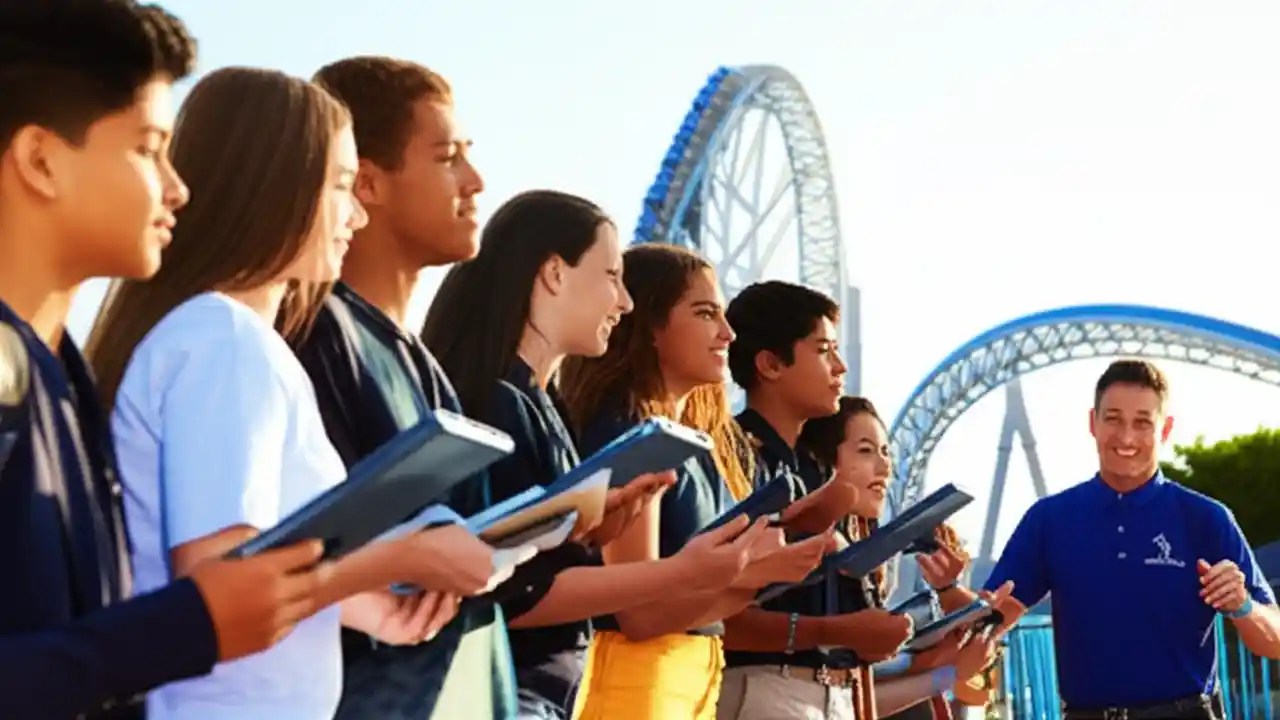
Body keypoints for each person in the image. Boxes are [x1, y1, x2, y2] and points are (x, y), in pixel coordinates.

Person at [86, 67, 497, 719]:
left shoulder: (229, 340)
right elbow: (218, 583)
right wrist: (399, 557)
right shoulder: (224, 340)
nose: (357, 214)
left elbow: (251, 568)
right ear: (274, 188)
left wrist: (375, 607)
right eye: (341, 184)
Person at [0, 2, 330, 717]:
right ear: (40, 159)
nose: (177, 186)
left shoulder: (62, 375)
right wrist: (186, 626)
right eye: (149, 148)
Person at [422, 189, 770, 718]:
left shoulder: (541, 406)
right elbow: (518, 592)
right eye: (611, 277)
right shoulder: (499, 405)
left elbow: (523, 556)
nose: (624, 303)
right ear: (554, 274)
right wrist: (687, 572)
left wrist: (591, 531)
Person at [293, 55, 514, 720]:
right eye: (448, 156)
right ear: (367, 183)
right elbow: (298, 557)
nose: (476, 182)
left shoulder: (420, 360)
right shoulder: (318, 337)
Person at [560, 243, 833, 719]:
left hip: (691, 682)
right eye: (706, 314)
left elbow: (697, 600)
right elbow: (638, 613)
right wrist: (754, 571)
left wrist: (766, 570)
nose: (728, 334)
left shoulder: (701, 444)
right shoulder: (630, 432)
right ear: (648, 327)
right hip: (634, 687)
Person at [984, 359, 1280, 719]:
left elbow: (1274, 641)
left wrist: (1243, 604)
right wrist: (949, 588)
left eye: (1142, 422)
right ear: (1093, 422)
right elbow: (991, 616)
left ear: (1165, 429)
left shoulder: (1206, 518)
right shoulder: (1049, 519)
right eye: (1113, 419)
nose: (1126, 437)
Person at [716, 280, 920, 720]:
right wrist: (834, 630)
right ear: (770, 364)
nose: (841, 367)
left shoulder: (815, 474)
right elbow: (713, 607)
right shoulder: (732, 457)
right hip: (763, 690)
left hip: (830, 696)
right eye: (824, 350)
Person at [798, 397, 1006, 719]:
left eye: (886, 453)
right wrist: (943, 672)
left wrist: (951, 594)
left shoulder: (869, 570)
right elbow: (845, 699)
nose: (884, 467)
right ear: (822, 461)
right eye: (866, 451)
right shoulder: (813, 560)